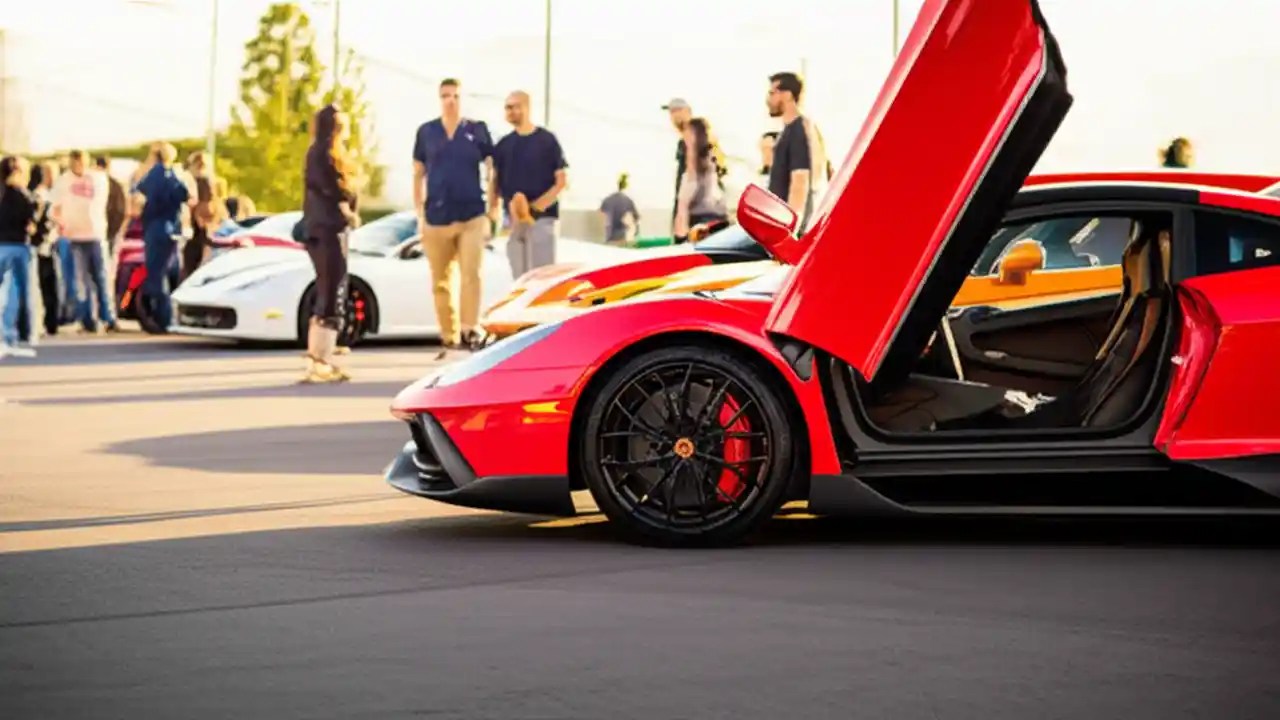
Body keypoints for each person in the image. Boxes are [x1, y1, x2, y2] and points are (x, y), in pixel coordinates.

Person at [412, 77, 495, 357]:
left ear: (462, 99)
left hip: (472, 214)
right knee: (441, 281)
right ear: (440, 99)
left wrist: (493, 207)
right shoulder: (426, 132)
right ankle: (450, 335)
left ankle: (470, 329)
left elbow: (492, 168)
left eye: (455, 96)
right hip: (436, 217)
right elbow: (418, 173)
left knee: (472, 274)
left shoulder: (477, 130)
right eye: (446, 96)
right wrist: (419, 212)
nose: (451, 101)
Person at [300, 105, 361, 383]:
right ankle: (321, 362)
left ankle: (318, 358)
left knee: (327, 290)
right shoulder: (325, 156)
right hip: (329, 230)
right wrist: (349, 205)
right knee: (333, 292)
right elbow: (337, 190)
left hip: (318, 229)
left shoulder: (315, 153)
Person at [490, 90, 568, 278]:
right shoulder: (503, 145)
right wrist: (493, 212)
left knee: (542, 278)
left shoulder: (547, 140)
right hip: (514, 220)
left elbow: (561, 181)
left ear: (526, 107)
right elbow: (495, 182)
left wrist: (535, 208)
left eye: (515, 107)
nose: (510, 111)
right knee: (520, 280)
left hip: (542, 219)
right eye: (507, 108)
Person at [51, 149, 117, 333]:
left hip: (95, 233)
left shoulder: (97, 178)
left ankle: (108, 316)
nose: (78, 165)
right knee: (80, 281)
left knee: (101, 277)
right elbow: (55, 206)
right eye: (74, 162)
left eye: (80, 161)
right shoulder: (63, 181)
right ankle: (88, 318)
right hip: (74, 236)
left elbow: (103, 203)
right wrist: (60, 223)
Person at [132, 142, 190, 333]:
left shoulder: (154, 174)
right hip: (172, 229)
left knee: (156, 275)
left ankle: (164, 318)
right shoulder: (175, 175)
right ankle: (170, 315)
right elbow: (186, 195)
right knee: (170, 273)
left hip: (156, 229)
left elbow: (138, 192)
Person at [765, 71, 829, 234]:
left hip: (793, 231)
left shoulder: (798, 131)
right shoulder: (790, 131)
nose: (768, 99)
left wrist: (789, 231)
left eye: (772, 93)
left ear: (787, 95)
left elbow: (800, 181)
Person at [0, 155, 39, 357]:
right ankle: (18, 333)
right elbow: (31, 225)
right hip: (19, 246)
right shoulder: (24, 196)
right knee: (19, 292)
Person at [673, 117, 729, 244]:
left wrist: (681, 239)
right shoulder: (712, 164)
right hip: (717, 223)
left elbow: (683, 208)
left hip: (700, 227)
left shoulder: (695, 172)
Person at [28, 162, 59, 337]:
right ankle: (50, 322)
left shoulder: (33, 194)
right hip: (45, 246)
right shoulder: (43, 195)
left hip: (38, 246)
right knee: (47, 287)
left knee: (41, 286)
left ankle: (45, 322)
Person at [183, 150, 223, 281]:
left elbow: (206, 209)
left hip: (198, 233)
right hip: (206, 233)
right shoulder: (214, 183)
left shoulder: (200, 182)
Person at [96, 155, 128, 257]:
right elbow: (121, 208)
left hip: (98, 229)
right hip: (110, 227)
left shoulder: (93, 183)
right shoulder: (116, 185)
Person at [599, 173, 640, 245]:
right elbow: (636, 218)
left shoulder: (607, 200)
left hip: (610, 237)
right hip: (623, 238)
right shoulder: (628, 201)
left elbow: (602, 217)